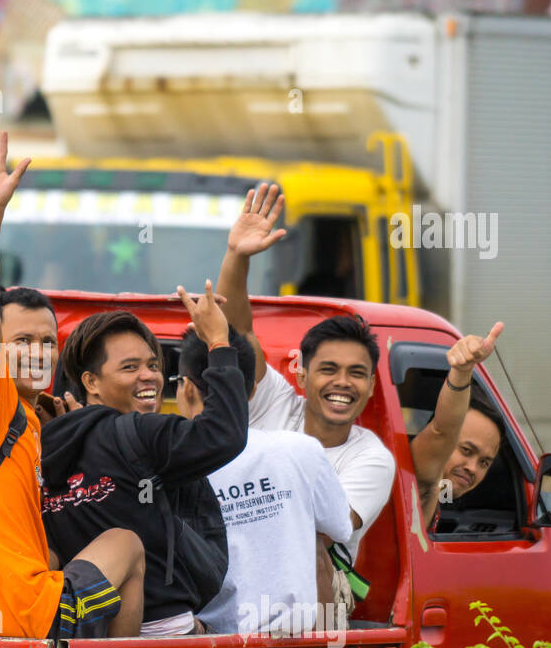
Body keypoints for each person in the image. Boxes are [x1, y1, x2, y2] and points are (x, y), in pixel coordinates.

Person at [0, 130, 146, 640]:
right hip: (17, 616)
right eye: (22, 340)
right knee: (127, 543)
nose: (38, 351)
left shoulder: (34, 420)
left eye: (48, 341)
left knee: (53, 549)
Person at [215, 183, 396, 601]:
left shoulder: (371, 458)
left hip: (321, 585)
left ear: (370, 387)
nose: (342, 384)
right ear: (300, 375)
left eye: (357, 374)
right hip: (235, 566)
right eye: (328, 370)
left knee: (312, 541)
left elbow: (326, 533)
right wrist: (237, 256)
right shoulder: (276, 401)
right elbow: (238, 334)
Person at [41, 285, 249, 637]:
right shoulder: (140, 433)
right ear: (91, 382)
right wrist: (218, 342)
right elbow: (225, 433)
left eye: (153, 364)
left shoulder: (42, 447)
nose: (149, 375)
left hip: (80, 646)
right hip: (162, 641)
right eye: (130, 367)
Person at [170, 329, 354, 635]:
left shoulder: (171, 467)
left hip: (211, 645)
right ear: (253, 390)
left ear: (187, 388)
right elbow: (340, 529)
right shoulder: (302, 449)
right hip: (299, 643)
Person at [409, 323, 506, 528]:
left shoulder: (438, 498)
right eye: (466, 450)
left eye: (485, 463)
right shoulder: (416, 483)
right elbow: (442, 430)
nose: (472, 468)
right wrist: (462, 371)